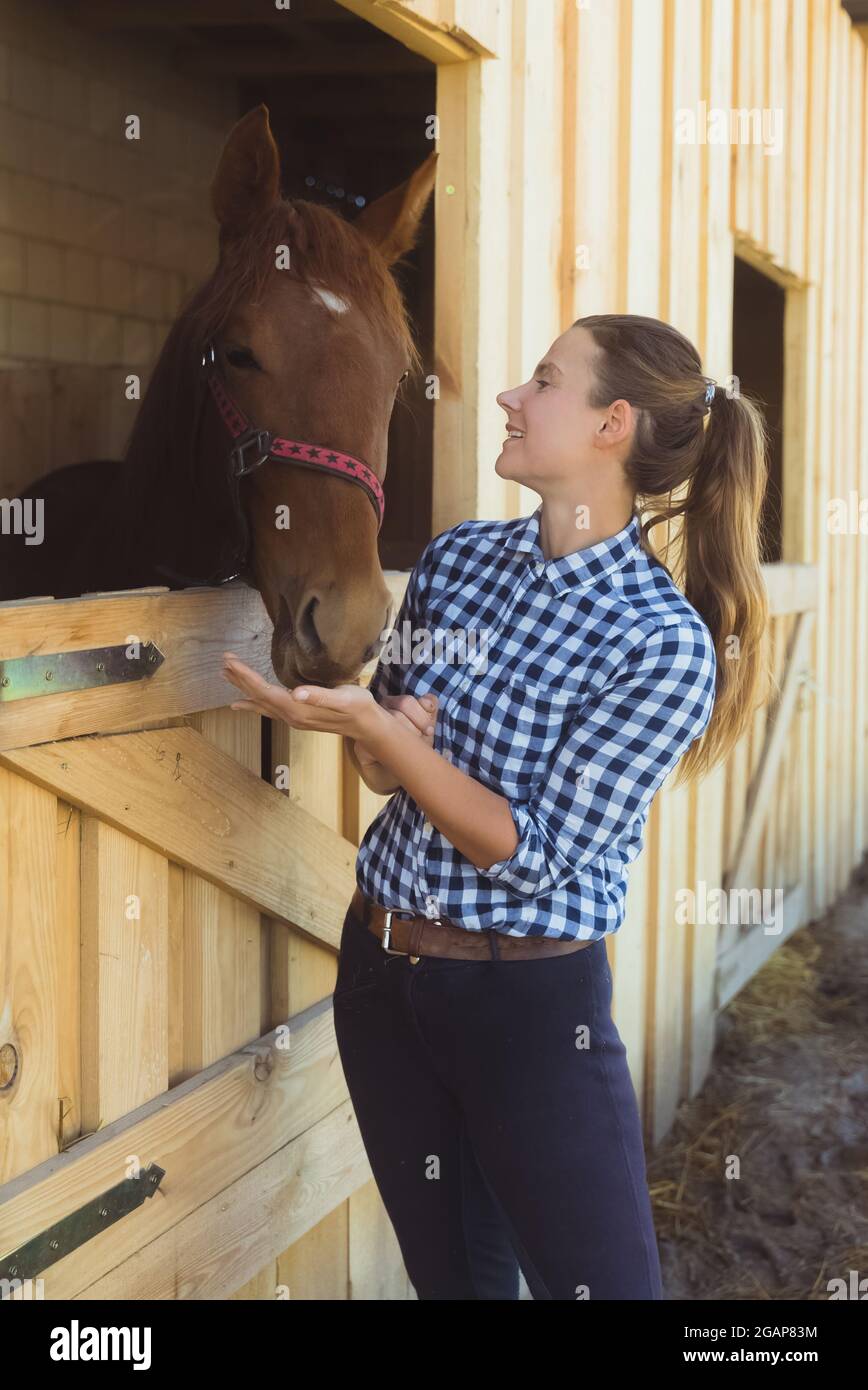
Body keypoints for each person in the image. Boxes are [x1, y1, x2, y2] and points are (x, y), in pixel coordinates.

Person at [223, 314, 772, 1300]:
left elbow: (528, 853)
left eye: (544, 380)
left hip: (526, 1009)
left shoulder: (661, 643)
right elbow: (386, 773)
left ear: (614, 425)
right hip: (381, 977)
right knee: (458, 1285)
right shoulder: (458, 560)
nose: (513, 398)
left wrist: (391, 738)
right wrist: (370, 733)